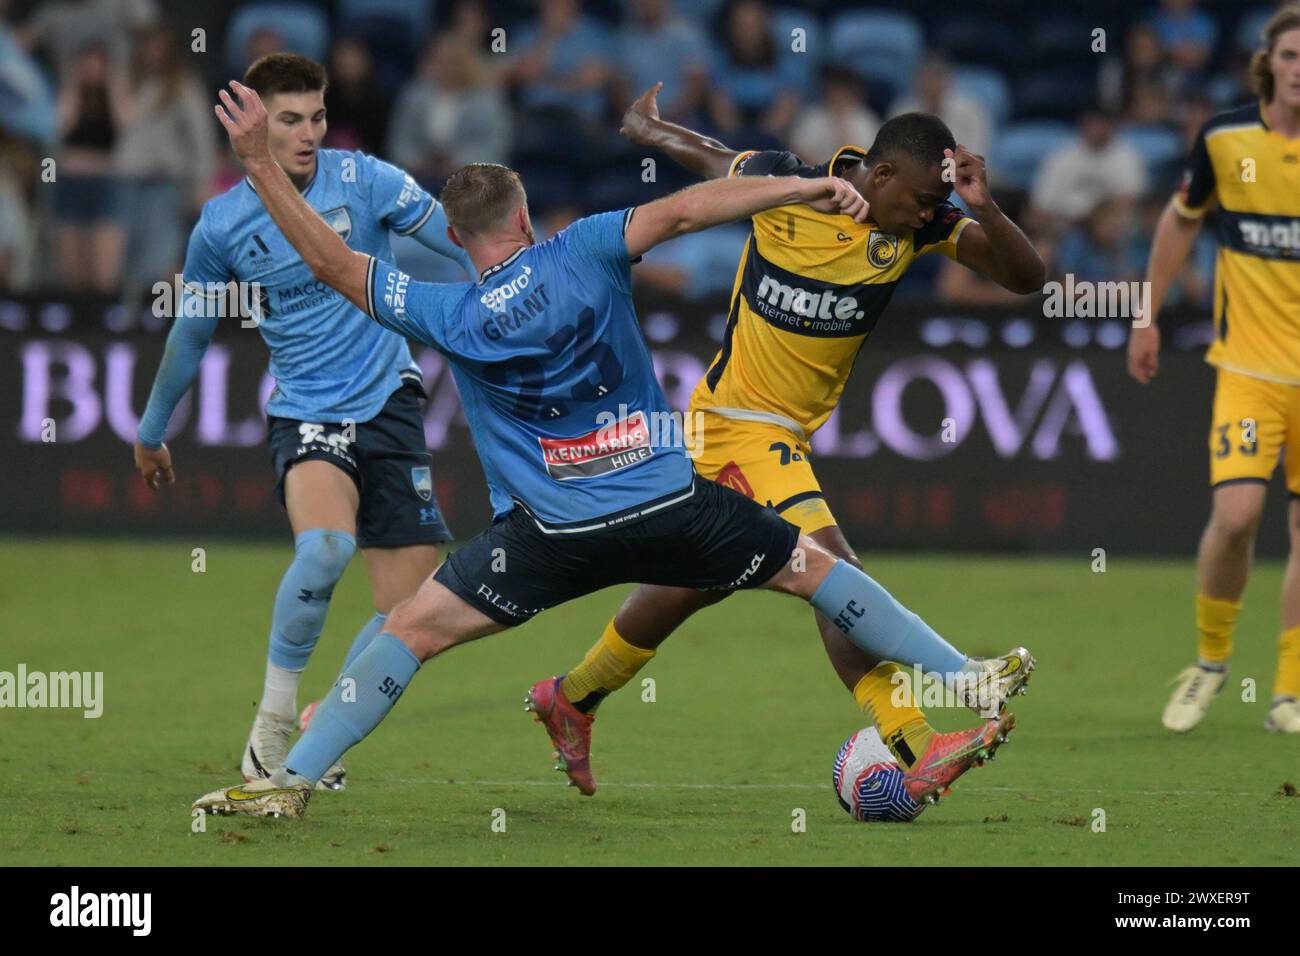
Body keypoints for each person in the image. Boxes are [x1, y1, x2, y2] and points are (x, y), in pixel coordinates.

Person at [192, 79, 1032, 819]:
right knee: (815, 570)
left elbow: (336, 264)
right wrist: (811, 183)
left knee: (408, 627)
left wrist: (262, 166)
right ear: (525, 216)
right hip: (667, 502)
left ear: (453, 235)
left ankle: (285, 780)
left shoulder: (443, 312)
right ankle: (966, 679)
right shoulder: (588, 245)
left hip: (546, 536)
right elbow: (691, 207)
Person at [532, 82, 1045, 798]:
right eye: (927, 198)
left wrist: (985, 207)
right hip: (739, 426)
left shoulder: (921, 226)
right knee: (834, 575)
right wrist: (647, 128)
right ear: (884, 173)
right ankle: (918, 742)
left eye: (943, 204)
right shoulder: (793, 186)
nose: (934, 212)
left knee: (694, 584)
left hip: (762, 435)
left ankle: (572, 697)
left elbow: (1027, 278)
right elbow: (714, 159)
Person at [133, 54, 474, 792]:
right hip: (306, 411)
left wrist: (524, 269)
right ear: (253, 123)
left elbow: (458, 239)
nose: (309, 132)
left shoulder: (369, 179)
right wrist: (152, 430)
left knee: (411, 612)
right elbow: (191, 335)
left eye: (317, 116)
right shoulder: (222, 224)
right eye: (289, 119)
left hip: (391, 403)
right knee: (324, 549)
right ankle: (272, 725)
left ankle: (327, 722)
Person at [1128, 3, 1300, 735]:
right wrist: (1146, 312)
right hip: (1250, 369)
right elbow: (1181, 219)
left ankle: (1289, 689)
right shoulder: (1228, 140)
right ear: (1271, 64)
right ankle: (1211, 661)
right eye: (1292, 56)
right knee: (1236, 519)